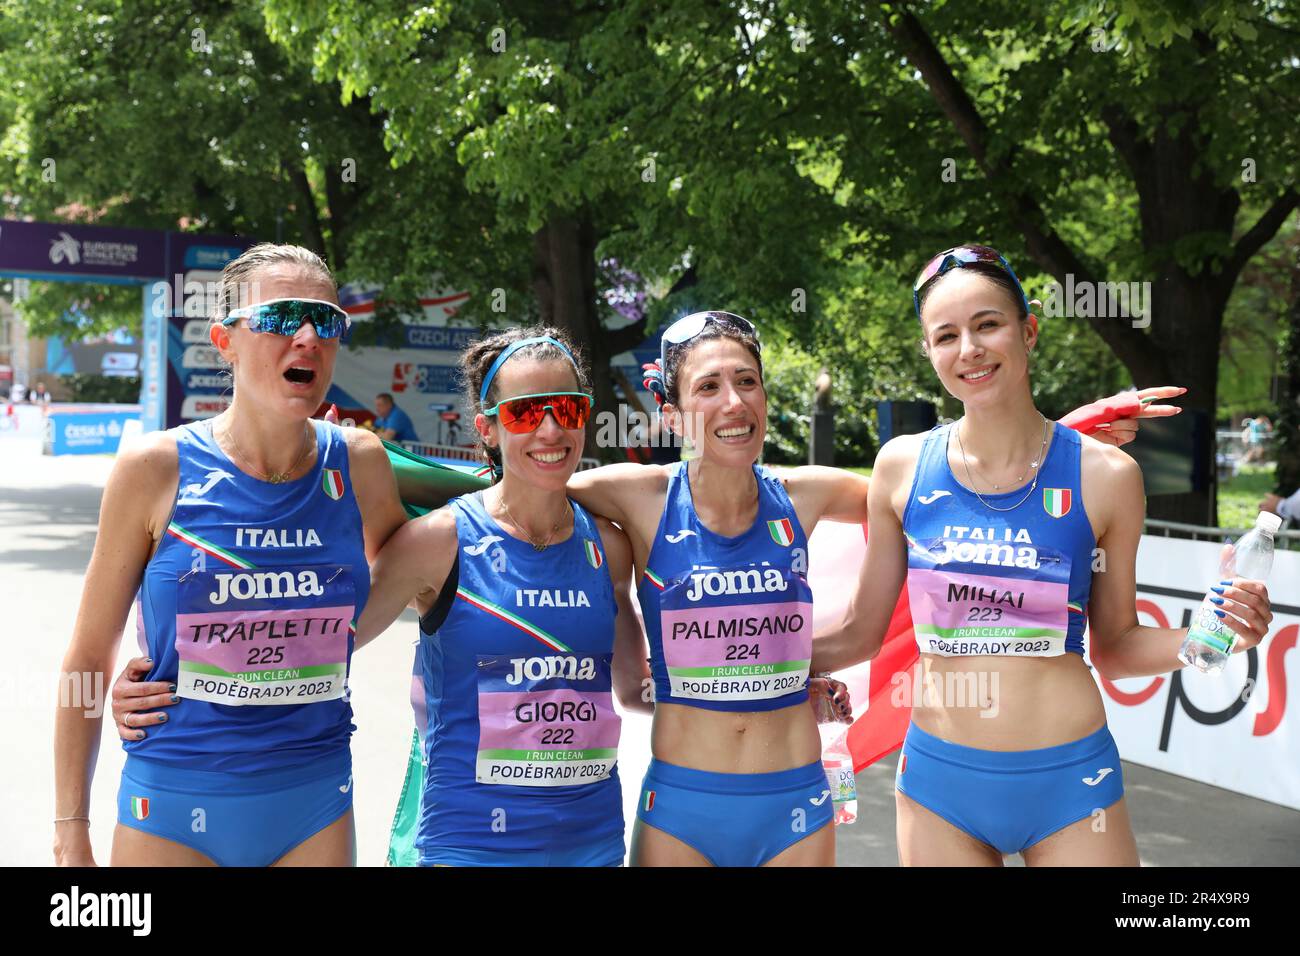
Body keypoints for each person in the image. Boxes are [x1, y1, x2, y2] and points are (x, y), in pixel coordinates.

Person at [811, 244, 1274, 866]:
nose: (968, 349)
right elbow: (859, 633)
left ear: (1028, 330)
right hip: (938, 786)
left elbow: (1114, 648)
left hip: (1071, 784)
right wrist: (738, 663)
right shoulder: (901, 466)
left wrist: (1213, 638)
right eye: (945, 335)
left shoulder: (1108, 475)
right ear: (929, 353)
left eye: (988, 325)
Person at [53, 243, 408, 867]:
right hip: (170, 808)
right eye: (279, 317)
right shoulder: (154, 468)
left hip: (314, 803)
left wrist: (333, 635)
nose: (306, 336)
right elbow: (86, 657)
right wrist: (69, 831)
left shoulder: (360, 463)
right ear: (226, 341)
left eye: (326, 320)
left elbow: (425, 563)